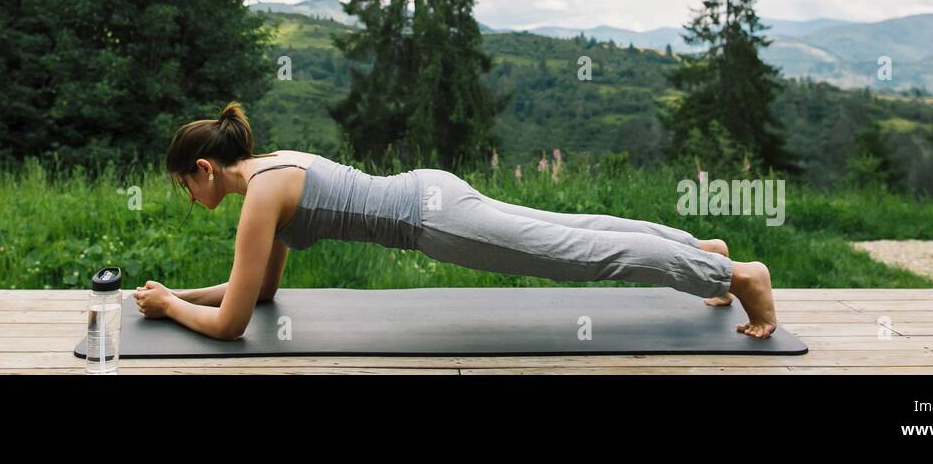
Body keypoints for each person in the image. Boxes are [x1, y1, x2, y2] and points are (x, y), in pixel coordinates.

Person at [134, 101, 777, 341]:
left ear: (205, 167)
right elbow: (260, 292)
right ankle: (703, 251)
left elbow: (233, 324)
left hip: (431, 221)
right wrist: (175, 294)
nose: (188, 197)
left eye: (184, 184)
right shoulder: (273, 168)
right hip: (431, 191)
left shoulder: (259, 199)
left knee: (576, 253)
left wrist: (170, 312)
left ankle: (739, 276)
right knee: (573, 225)